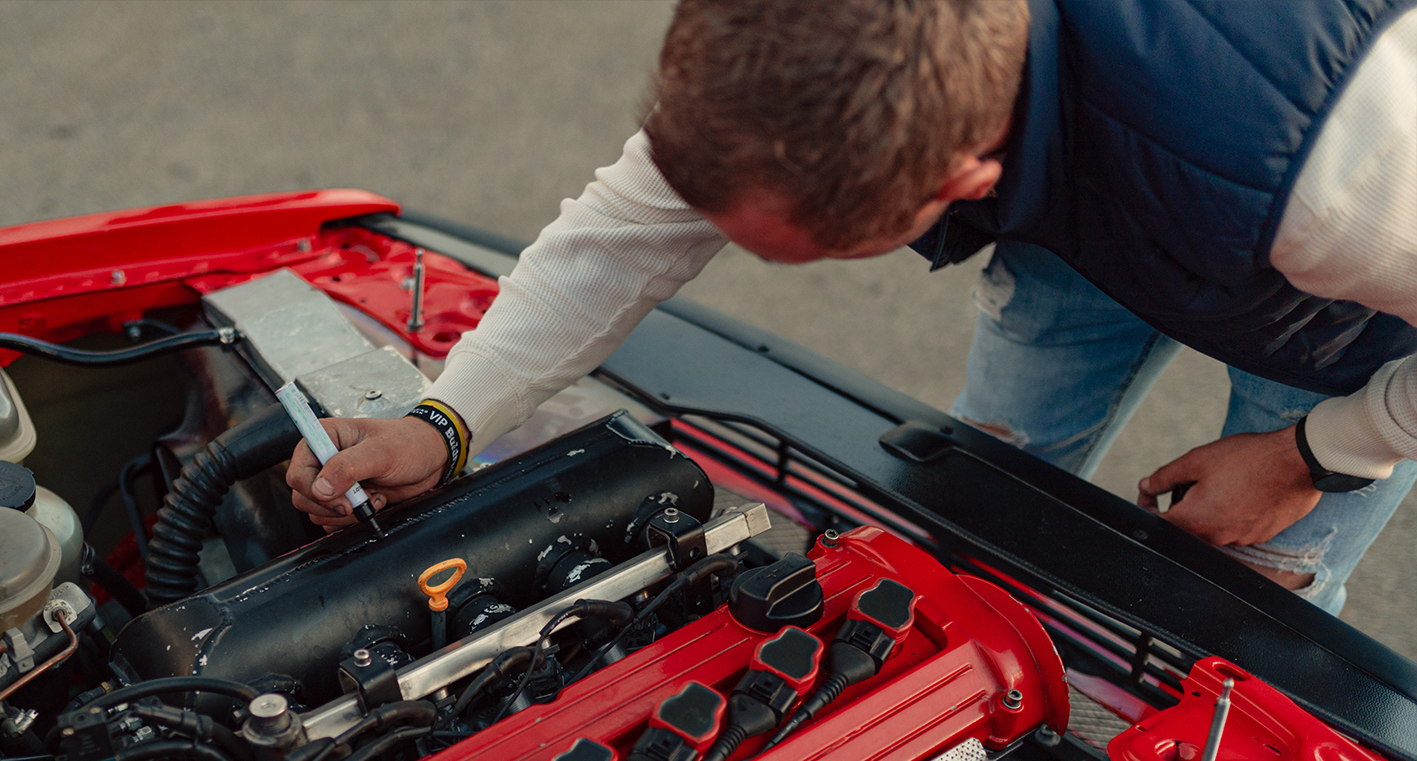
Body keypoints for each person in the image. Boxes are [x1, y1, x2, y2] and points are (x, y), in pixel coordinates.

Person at [286, 0, 1417, 615]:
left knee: (1257, 604)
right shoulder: (796, 46)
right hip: (1091, 201)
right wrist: (447, 420)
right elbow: (621, 238)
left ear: (962, 180)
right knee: (992, 487)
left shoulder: (1344, 180)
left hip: (1334, 306)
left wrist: (1320, 452)